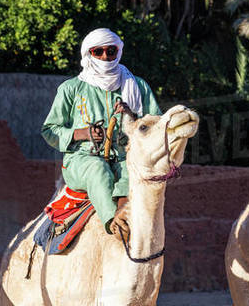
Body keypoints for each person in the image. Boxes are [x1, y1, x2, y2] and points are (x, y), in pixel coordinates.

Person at [41, 28, 160, 237]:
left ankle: (129, 220)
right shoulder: (71, 89)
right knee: (98, 169)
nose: (105, 57)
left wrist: (132, 115)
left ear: (118, 52)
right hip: (82, 160)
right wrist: (83, 133)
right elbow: (50, 131)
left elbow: (156, 126)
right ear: (89, 53)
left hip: (125, 156)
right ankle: (111, 222)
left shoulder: (137, 85)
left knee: (133, 170)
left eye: (111, 51)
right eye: (98, 52)